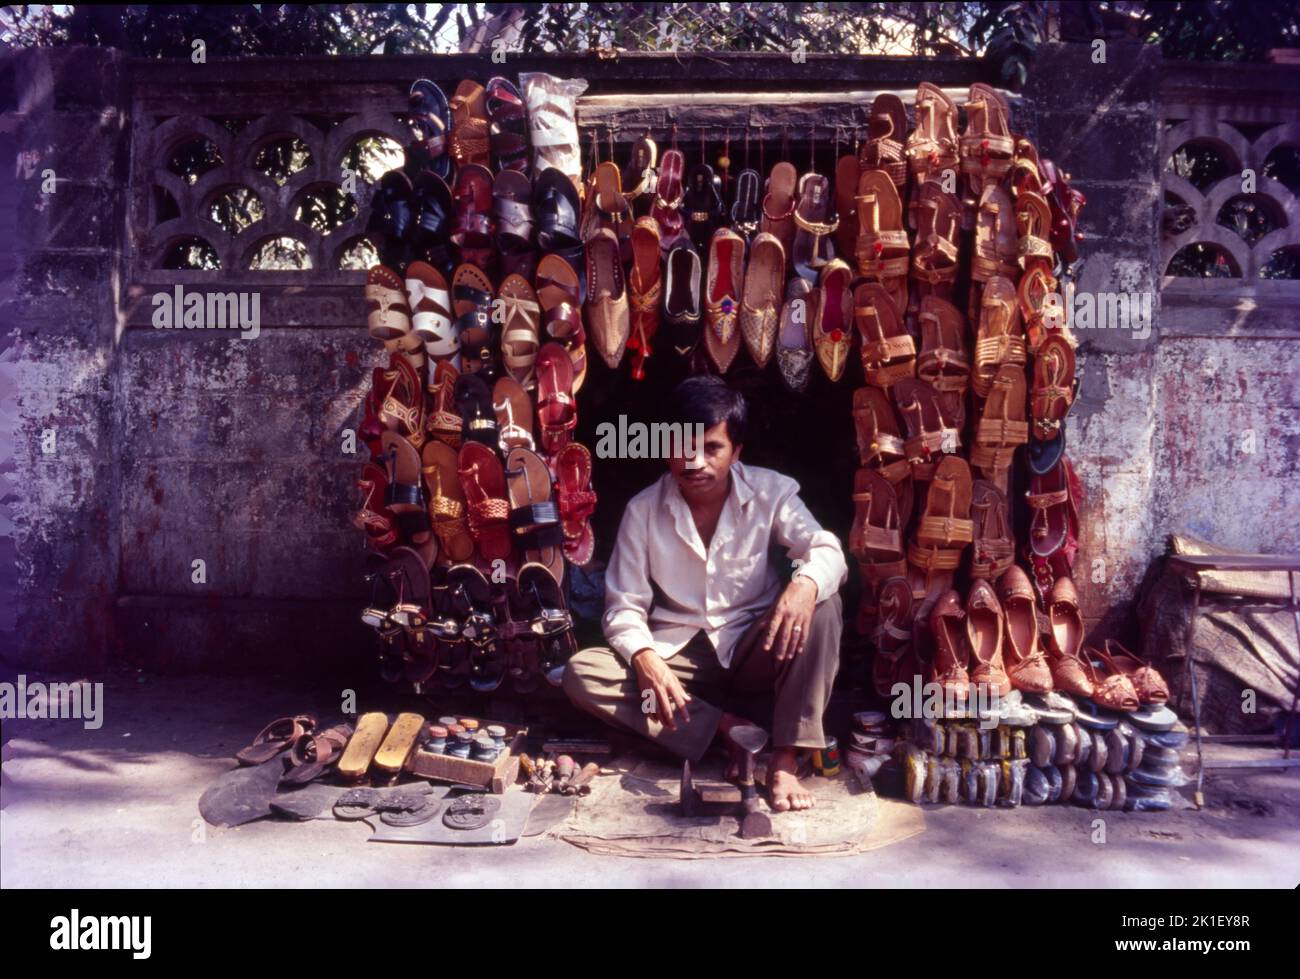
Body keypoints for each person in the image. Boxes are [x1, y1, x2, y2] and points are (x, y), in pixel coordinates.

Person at [562, 376, 846, 811]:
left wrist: (803, 585)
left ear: (737, 452)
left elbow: (826, 549)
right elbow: (623, 607)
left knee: (823, 604)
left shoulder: (772, 492)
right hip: (681, 664)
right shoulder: (643, 510)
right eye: (680, 446)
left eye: (711, 447)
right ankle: (724, 730)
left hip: (756, 652)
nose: (693, 461)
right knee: (583, 673)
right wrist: (646, 660)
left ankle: (786, 757)